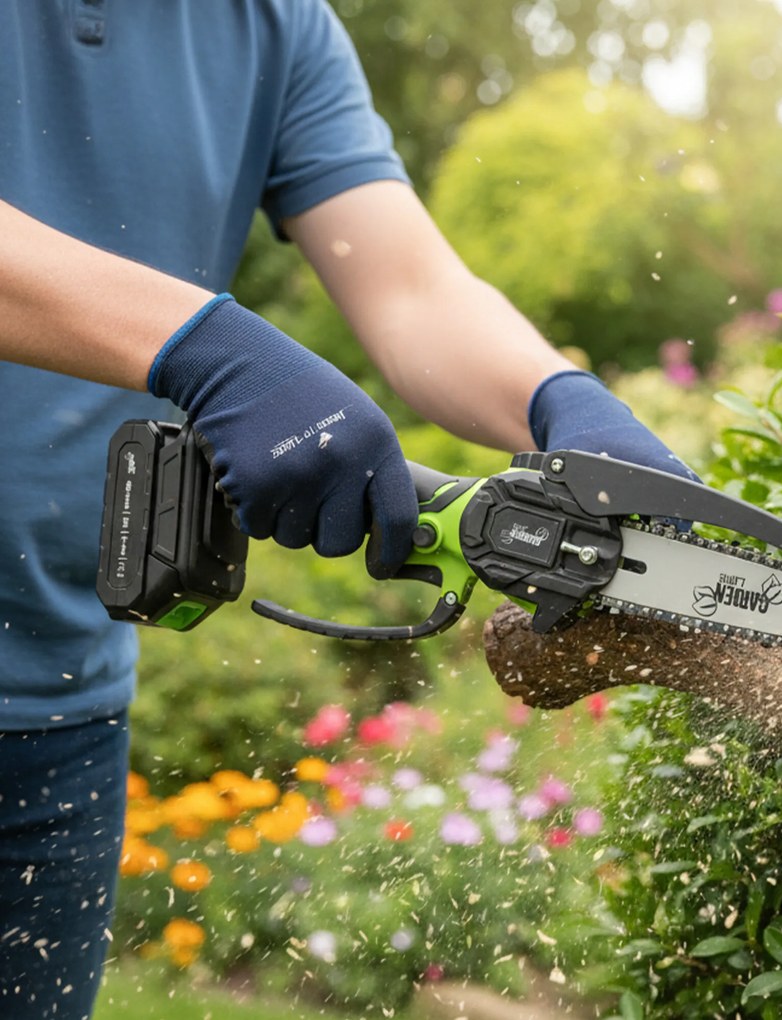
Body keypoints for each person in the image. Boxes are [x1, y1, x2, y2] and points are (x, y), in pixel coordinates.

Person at [0, 3, 697, 1018]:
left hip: (61, 711)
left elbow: (410, 289)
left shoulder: (276, 25)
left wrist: (558, 399)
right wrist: (205, 345)